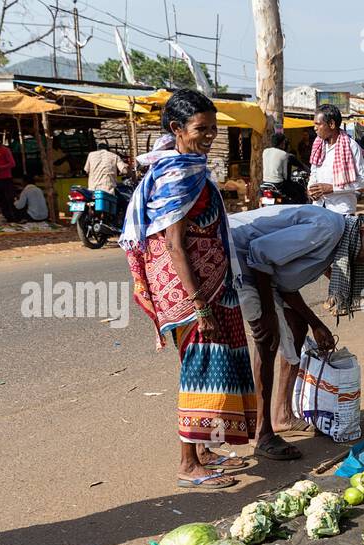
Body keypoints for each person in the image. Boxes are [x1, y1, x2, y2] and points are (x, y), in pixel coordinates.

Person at [120, 89, 258, 491]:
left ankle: (202, 451)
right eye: (202, 129)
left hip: (213, 285)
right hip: (193, 292)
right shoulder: (178, 175)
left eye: (214, 128)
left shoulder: (191, 167)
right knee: (200, 371)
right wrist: (200, 306)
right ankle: (187, 465)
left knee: (218, 367)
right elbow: (175, 245)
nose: (210, 135)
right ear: (177, 129)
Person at [230, 205, 364, 457]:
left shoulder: (339, 242)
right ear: (362, 231)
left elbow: (286, 283)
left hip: (263, 270)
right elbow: (260, 254)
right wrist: (268, 313)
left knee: (297, 326)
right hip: (240, 258)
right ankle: (261, 433)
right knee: (268, 337)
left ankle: (282, 415)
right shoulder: (328, 230)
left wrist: (314, 323)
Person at [308, 103, 364, 214]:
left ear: (331, 124)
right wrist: (311, 189)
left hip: (342, 209)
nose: (315, 128)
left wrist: (333, 188)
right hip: (319, 207)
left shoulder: (351, 146)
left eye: (318, 124)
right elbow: (314, 172)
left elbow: (363, 181)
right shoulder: (318, 145)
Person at [262, 131, 304, 202]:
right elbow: (285, 175)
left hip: (265, 183)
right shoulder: (284, 154)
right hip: (278, 184)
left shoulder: (265, 151)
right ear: (282, 143)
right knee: (299, 191)